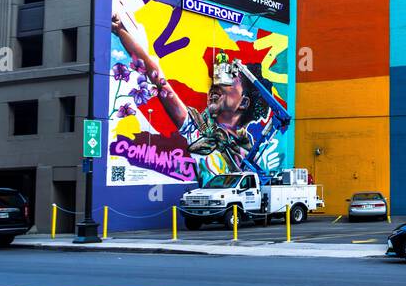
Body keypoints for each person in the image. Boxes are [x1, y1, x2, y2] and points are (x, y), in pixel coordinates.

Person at [112, 9, 286, 181]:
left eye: (227, 83)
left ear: (243, 102)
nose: (214, 88)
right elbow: (157, 77)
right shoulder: (198, 129)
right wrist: (121, 31)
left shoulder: (252, 154)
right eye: (215, 84)